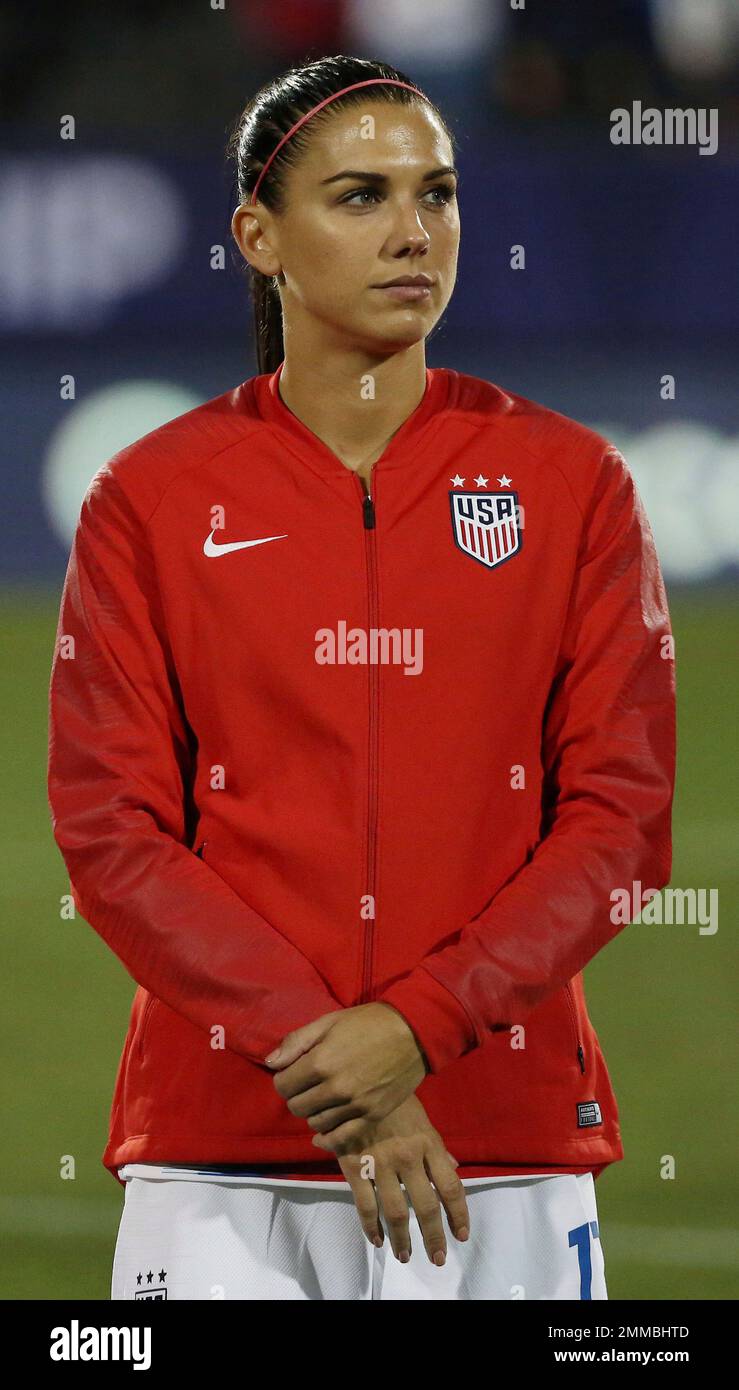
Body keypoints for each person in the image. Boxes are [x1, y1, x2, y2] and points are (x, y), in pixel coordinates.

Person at [47, 53, 676, 1301]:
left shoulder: (572, 485)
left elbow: (619, 827)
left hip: (503, 1150)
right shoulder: (151, 498)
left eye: (436, 193)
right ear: (258, 236)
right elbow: (112, 833)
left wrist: (416, 1028)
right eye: (359, 196)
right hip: (222, 1159)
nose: (413, 232)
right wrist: (341, 1064)